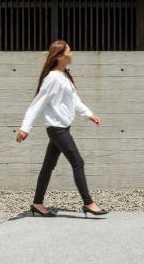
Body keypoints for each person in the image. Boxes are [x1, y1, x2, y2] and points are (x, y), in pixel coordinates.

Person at [16, 40, 108, 217]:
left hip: (61, 127)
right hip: (57, 129)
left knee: (48, 167)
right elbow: (37, 104)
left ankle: (37, 203)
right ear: (59, 56)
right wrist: (25, 128)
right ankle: (89, 203)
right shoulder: (52, 79)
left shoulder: (64, 75)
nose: (72, 53)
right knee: (78, 162)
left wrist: (89, 114)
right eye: (69, 51)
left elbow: (74, 101)